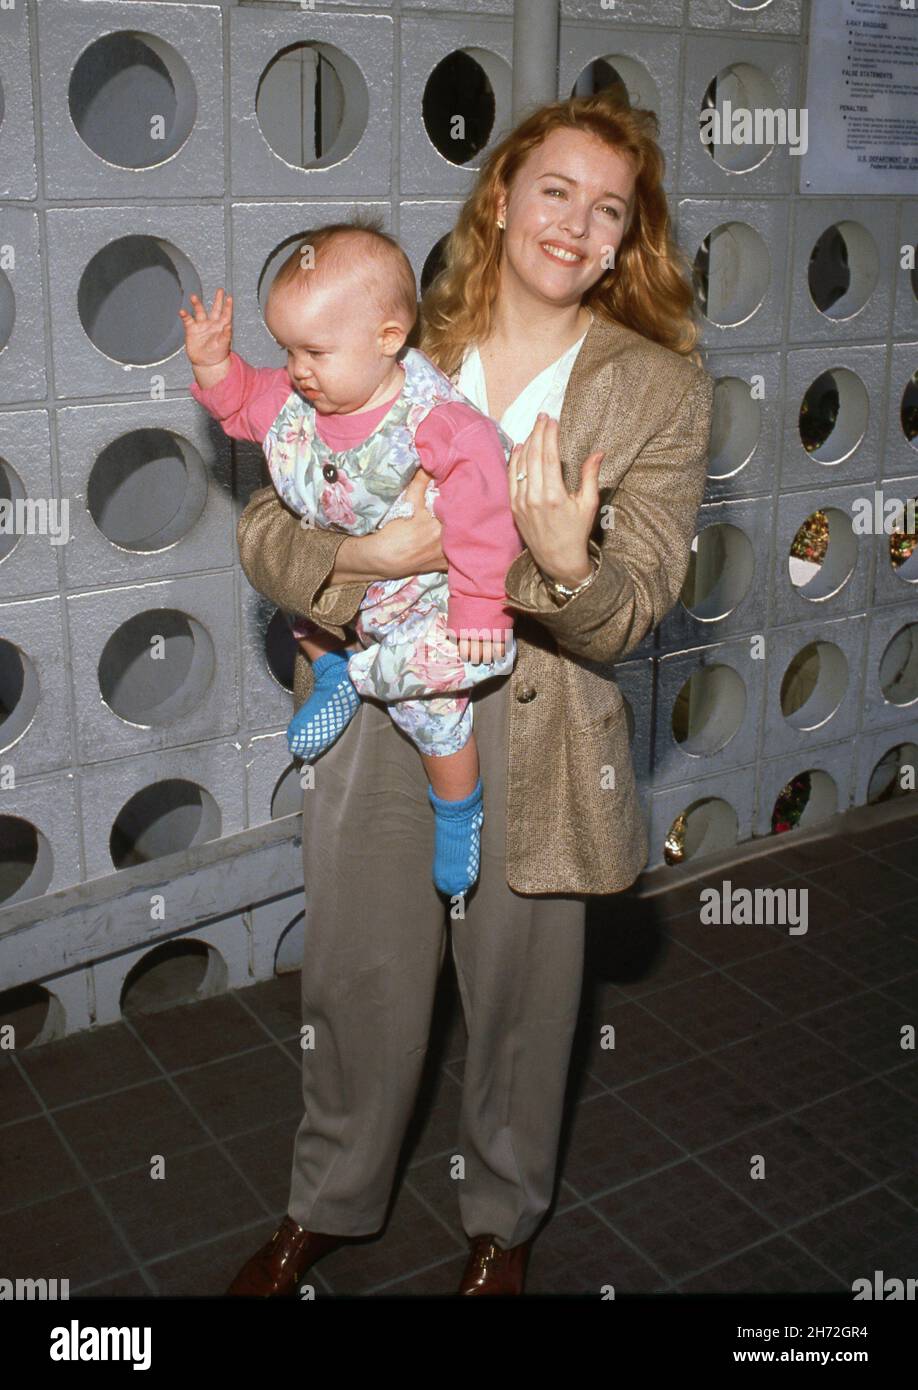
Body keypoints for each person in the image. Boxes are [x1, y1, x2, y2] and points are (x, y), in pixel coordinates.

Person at [225, 94, 715, 1297]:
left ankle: (503, 1224)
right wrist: (367, 558)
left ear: (623, 240)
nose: (577, 223)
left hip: (535, 710)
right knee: (357, 971)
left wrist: (566, 559)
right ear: (502, 197)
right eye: (556, 189)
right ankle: (328, 1200)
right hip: (377, 694)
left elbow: (634, 604)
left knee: (522, 990)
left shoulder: (659, 389)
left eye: (609, 209)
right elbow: (263, 526)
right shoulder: (390, 330)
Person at [180, 228, 524, 897]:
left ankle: (458, 810)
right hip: (340, 579)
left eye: (314, 351)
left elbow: (487, 512)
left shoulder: (437, 421)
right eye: (286, 348)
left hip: (420, 596)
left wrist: (480, 605)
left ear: (390, 337)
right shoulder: (298, 398)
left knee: (437, 710)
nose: (297, 368)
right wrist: (214, 365)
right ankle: (331, 668)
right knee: (296, 596)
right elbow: (246, 402)